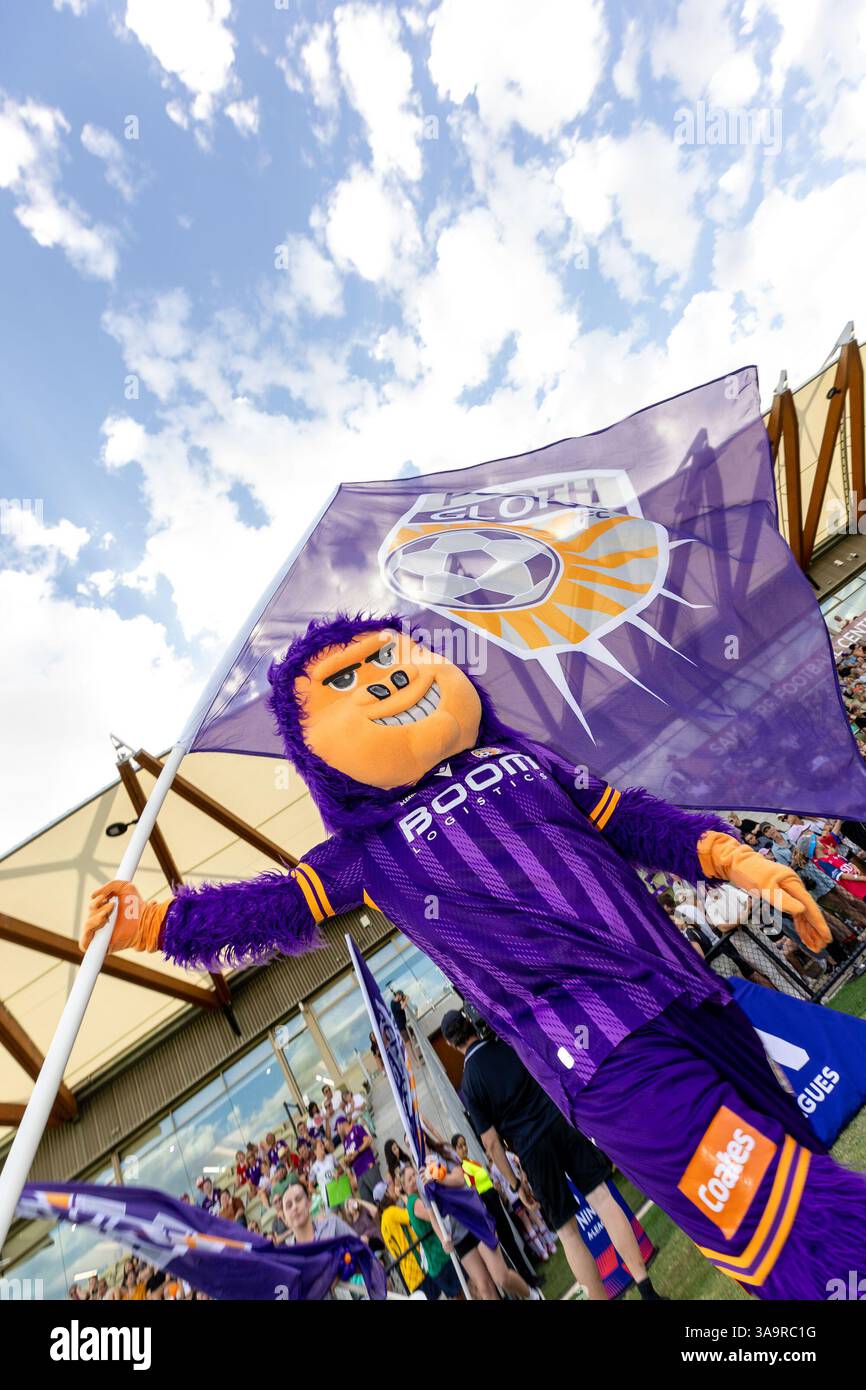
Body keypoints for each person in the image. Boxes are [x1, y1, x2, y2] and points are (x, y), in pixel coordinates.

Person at [442, 1010, 664, 1301]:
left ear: (449, 1043)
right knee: (603, 1198)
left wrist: (515, 1184)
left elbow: (491, 1143)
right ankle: (646, 1288)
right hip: (557, 1121)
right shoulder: (506, 1043)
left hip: (532, 1149)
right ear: (469, 1023)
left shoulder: (469, 1084)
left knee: (568, 1232)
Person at [338, 1115, 383, 1203]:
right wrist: (346, 1160)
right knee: (369, 1203)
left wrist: (357, 1152)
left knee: (381, 1196)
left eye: (337, 1128)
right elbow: (347, 1159)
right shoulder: (345, 1141)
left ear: (341, 1124)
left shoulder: (356, 1128)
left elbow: (369, 1140)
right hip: (358, 1174)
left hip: (368, 1166)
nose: (338, 1131)